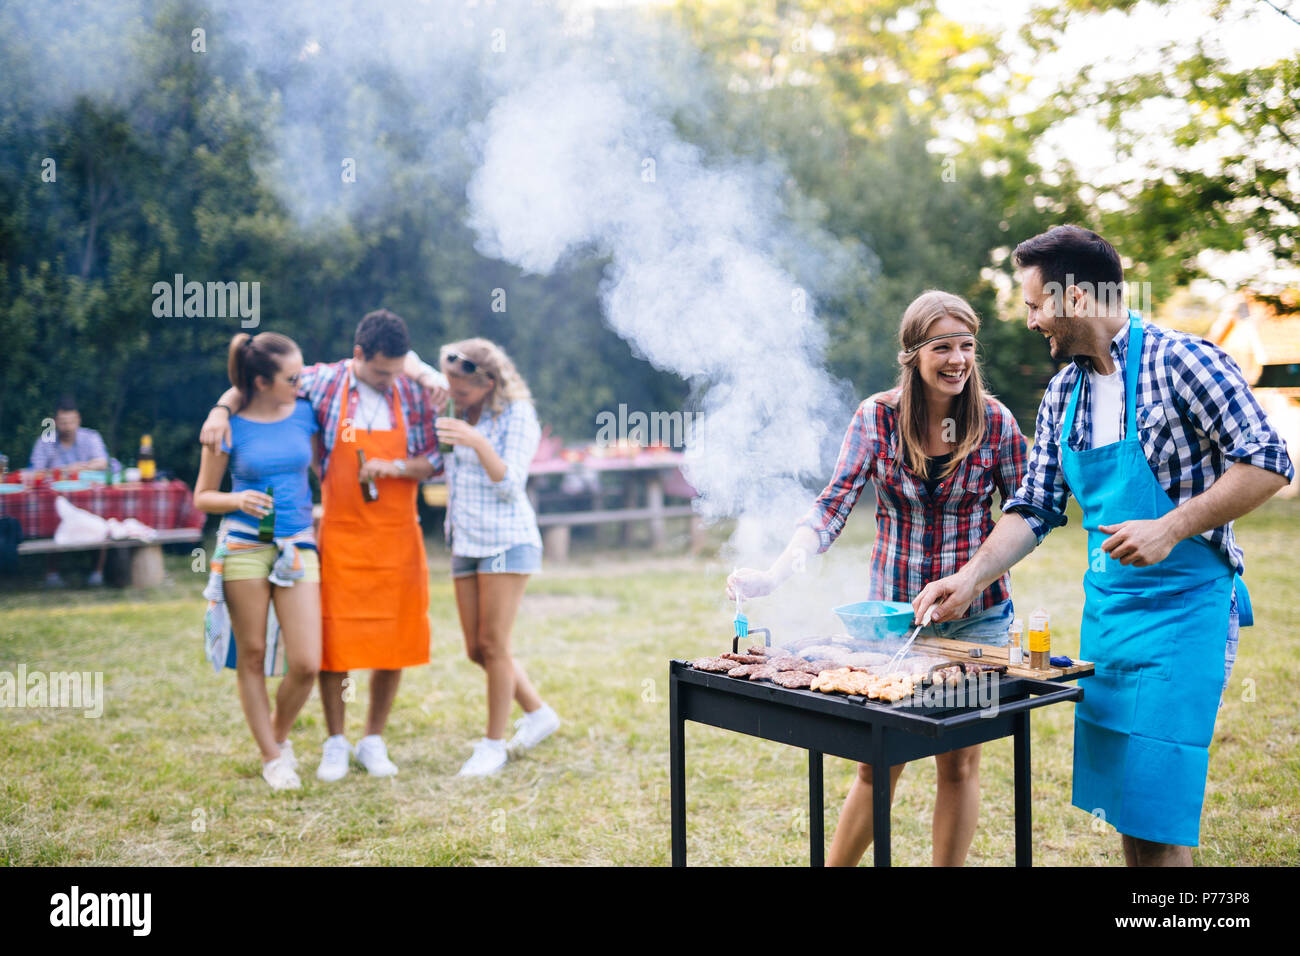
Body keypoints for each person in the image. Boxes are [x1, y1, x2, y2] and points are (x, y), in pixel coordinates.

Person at [915, 226, 1294, 865]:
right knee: (1127, 813)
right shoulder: (1064, 392)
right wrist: (972, 577)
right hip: (1109, 621)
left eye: (1036, 305)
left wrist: (1172, 526)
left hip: (1186, 614)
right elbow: (1034, 506)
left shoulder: (1185, 362)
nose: (1031, 320)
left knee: (1157, 815)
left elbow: (1269, 461)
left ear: (1079, 299)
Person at [727, 290, 1029, 866]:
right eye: (943, 347)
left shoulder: (995, 420)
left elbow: (1026, 512)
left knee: (960, 759)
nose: (958, 360)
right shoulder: (877, 416)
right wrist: (773, 574)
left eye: (967, 346)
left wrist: (970, 578)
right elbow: (832, 506)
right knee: (878, 760)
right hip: (889, 621)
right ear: (913, 353)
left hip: (979, 619)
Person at [201, 310, 444, 781]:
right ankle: (335, 740)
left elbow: (435, 459)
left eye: (396, 370)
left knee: (392, 639)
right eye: (379, 372)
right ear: (357, 357)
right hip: (339, 532)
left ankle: (373, 739)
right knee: (335, 642)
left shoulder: (412, 390)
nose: (388, 380)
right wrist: (220, 408)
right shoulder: (321, 384)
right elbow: (251, 379)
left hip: (397, 534)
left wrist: (392, 467)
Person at [193, 332, 322, 790]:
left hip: (298, 545)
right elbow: (203, 497)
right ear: (264, 382)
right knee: (250, 653)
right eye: (292, 376)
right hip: (246, 546)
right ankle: (271, 757)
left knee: (306, 661)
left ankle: (278, 737)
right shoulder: (226, 427)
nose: (301, 381)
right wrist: (237, 499)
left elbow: (323, 466)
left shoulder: (307, 411)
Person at [436, 338, 559, 777]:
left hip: (506, 541)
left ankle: (492, 746)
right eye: (449, 384)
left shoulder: (517, 415)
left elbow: (510, 484)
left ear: (488, 382)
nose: (454, 393)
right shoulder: (452, 405)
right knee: (476, 649)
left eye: (463, 389)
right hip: (465, 541)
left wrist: (474, 439)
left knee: (494, 645)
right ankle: (539, 714)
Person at [30, 395, 111, 586]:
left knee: (104, 513)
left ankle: (97, 573)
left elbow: (103, 462)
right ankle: (52, 574)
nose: (67, 426)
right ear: (56, 422)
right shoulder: (45, 441)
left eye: (71, 422)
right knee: (49, 514)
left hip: (88, 497)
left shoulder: (91, 437)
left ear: (78, 420)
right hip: (56, 499)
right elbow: (35, 471)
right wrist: (61, 471)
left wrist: (80, 467)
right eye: (63, 422)